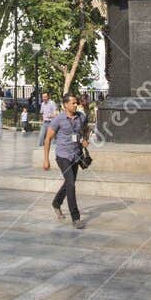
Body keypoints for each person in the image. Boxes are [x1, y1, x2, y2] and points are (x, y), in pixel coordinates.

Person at [41, 93, 88, 228]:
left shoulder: (81, 117)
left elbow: (85, 129)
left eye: (76, 103)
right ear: (65, 105)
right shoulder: (58, 119)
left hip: (76, 155)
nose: (75, 105)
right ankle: (76, 217)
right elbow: (48, 139)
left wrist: (85, 140)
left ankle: (56, 203)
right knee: (71, 185)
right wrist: (46, 159)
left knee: (69, 183)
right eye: (73, 103)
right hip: (63, 156)